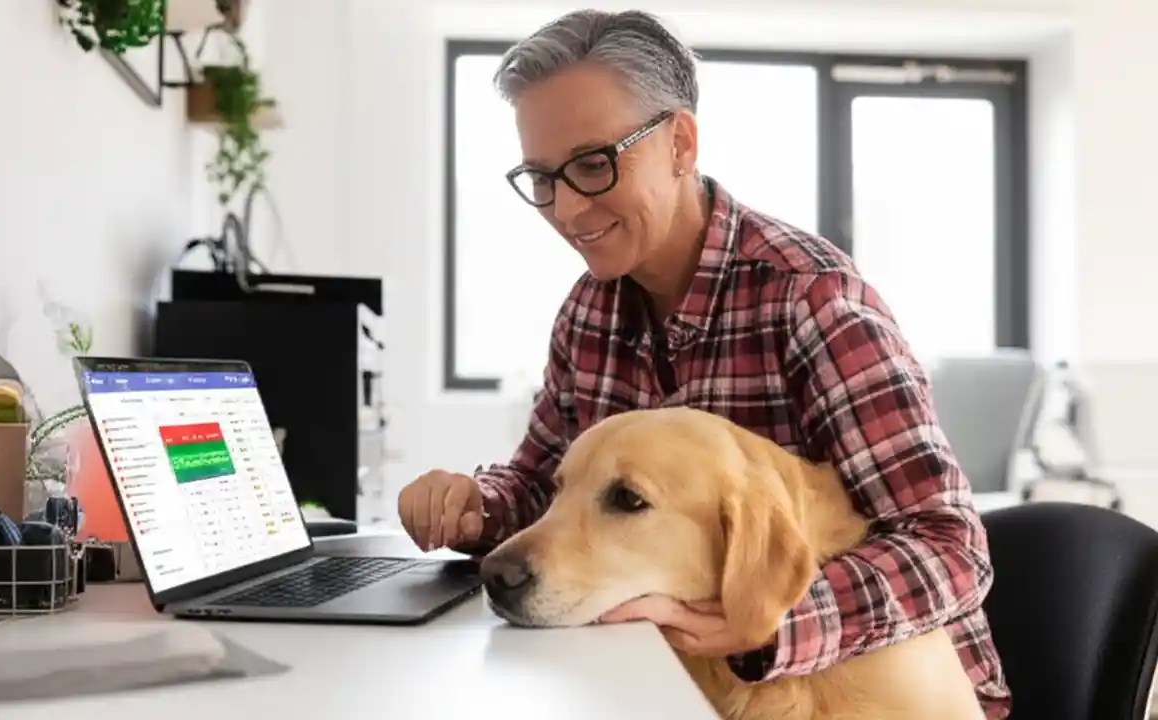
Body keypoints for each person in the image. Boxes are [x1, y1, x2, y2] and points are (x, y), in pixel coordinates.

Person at [397, 9, 1010, 718]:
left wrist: (771, 622)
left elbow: (951, 548)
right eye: (541, 177)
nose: (565, 208)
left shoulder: (811, 300)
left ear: (680, 143)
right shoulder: (589, 312)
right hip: (676, 682)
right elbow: (545, 485)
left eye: (594, 166)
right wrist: (475, 510)